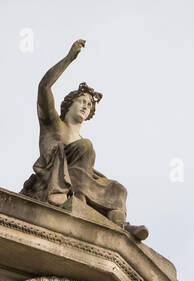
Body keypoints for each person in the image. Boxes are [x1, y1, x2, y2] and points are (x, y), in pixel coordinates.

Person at [21, 39, 149, 241]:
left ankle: (121, 227)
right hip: (58, 181)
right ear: (69, 104)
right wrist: (69, 58)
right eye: (81, 101)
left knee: (117, 190)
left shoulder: (82, 139)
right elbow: (43, 87)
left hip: (83, 180)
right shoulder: (54, 124)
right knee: (86, 146)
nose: (85, 106)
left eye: (89, 105)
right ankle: (78, 201)